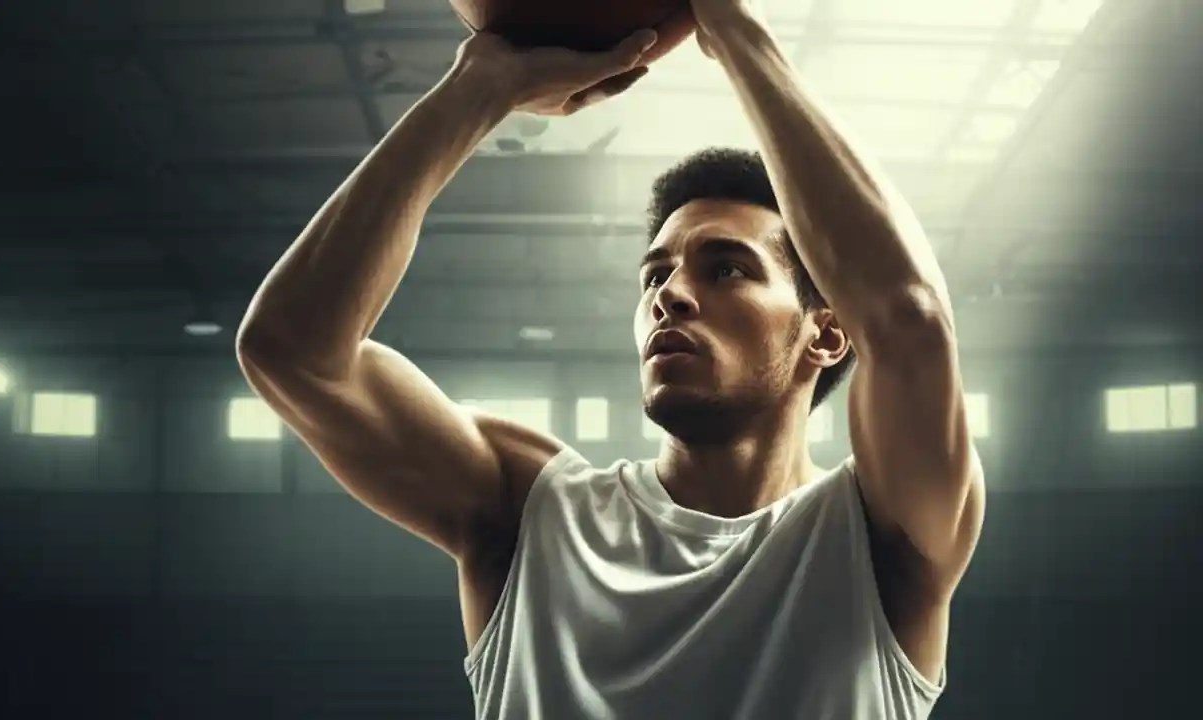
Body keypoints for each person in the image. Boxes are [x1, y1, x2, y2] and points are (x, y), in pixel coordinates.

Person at [236, 1, 986, 717]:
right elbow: (294, 350)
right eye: (655, 275)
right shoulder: (531, 510)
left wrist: (734, 28)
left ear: (825, 334)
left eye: (726, 268)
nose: (672, 295)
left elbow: (910, 319)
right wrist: (478, 86)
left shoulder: (884, 532)